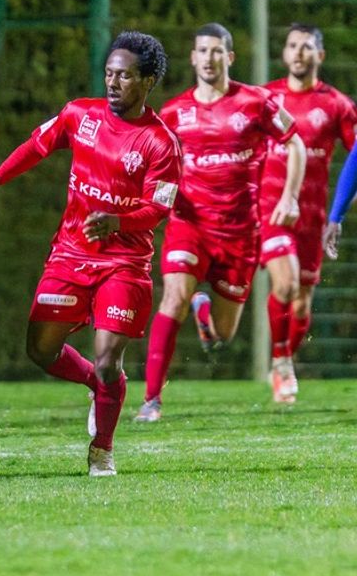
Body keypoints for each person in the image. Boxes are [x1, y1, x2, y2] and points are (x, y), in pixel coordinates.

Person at [0, 31, 181, 476]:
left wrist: (118, 221)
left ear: (149, 81)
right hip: (70, 255)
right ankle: (94, 387)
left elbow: (160, 208)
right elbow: (35, 147)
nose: (114, 82)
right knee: (40, 350)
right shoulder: (81, 115)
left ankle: (102, 450)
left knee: (106, 359)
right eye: (110, 73)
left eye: (126, 76)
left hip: (124, 263)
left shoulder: (161, 144)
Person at [136, 23, 306, 422]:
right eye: (202, 51)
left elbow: (294, 142)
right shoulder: (174, 113)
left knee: (223, 335)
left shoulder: (256, 102)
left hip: (240, 232)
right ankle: (151, 400)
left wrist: (289, 196)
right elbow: (152, 161)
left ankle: (206, 316)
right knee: (172, 297)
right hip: (189, 225)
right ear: (193, 58)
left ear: (229, 57)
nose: (209, 58)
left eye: (217, 51)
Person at [258, 24, 356, 404]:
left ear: (320, 56)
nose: (299, 52)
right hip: (273, 209)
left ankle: (283, 358)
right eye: (292, 45)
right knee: (283, 284)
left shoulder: (336, 104)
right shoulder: (267, 98)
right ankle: (281, 364)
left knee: (301, 303)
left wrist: (341, 209)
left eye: (307, 47)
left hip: (313, 216)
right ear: (284, 54)